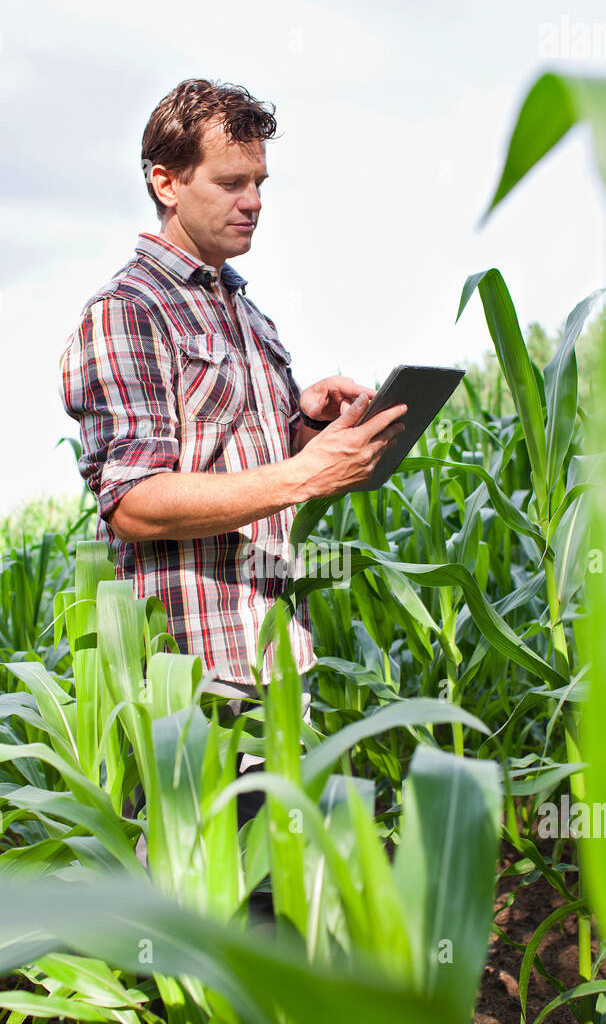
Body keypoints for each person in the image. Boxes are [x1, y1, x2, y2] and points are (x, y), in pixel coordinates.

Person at [59, 77, 406, 833]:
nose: (252, 200)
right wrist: (303, 472)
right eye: (230, 181)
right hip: (193, 678)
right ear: (166, 182)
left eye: (260, 183)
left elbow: (237, 462)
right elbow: (135, 503)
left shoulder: (244, 310)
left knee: (279, 916)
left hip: (278, 660)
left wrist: (308, 429)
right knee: (208, 916)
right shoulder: (128, 312)